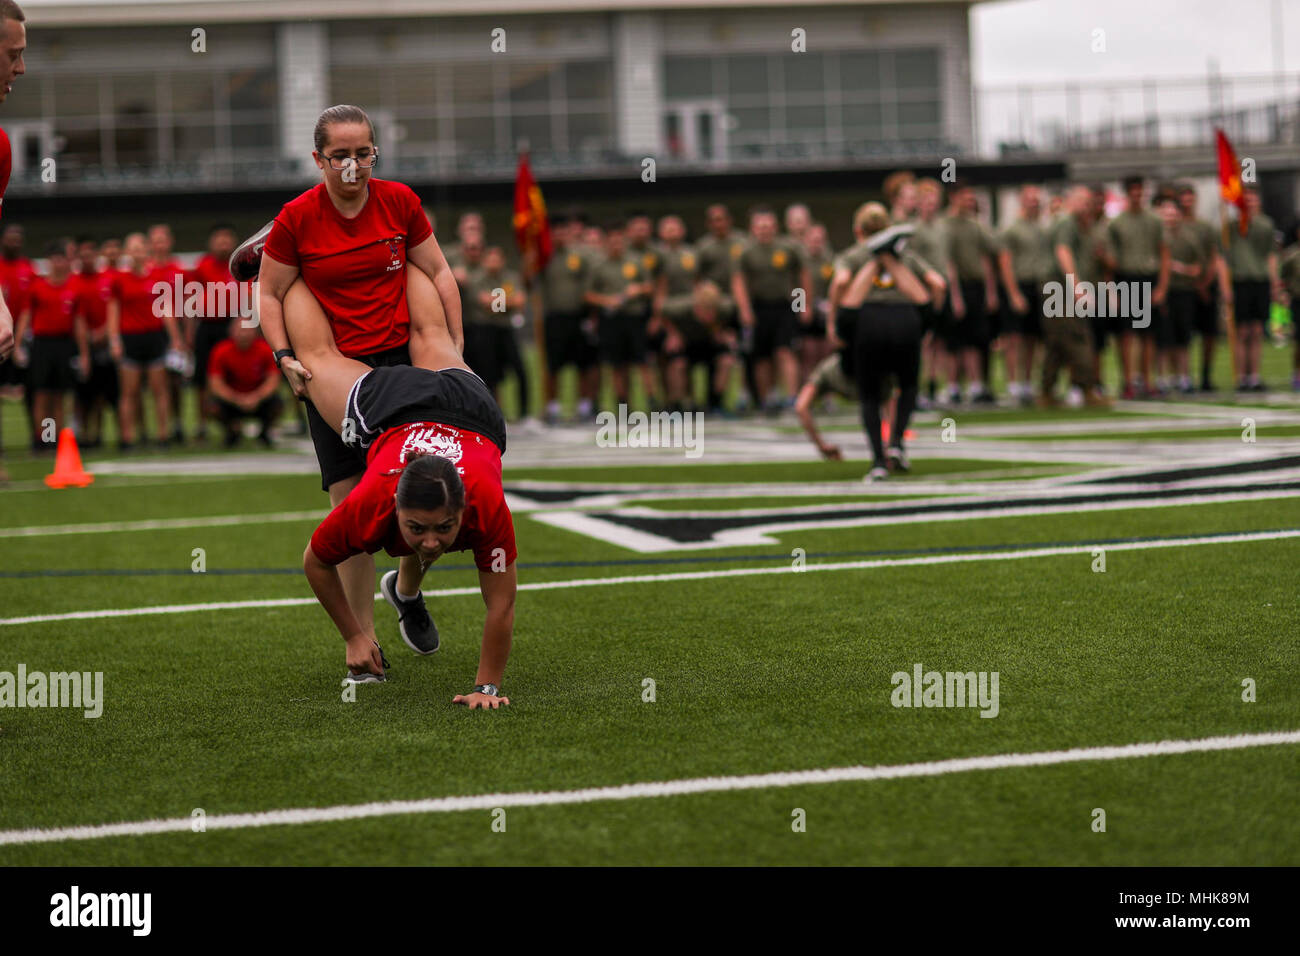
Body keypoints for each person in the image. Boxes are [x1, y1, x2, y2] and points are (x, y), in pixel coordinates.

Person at [248, 103, 462, 661]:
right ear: (318, 159)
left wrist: (455, 354)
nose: (352, 165)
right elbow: (268, 296)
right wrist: (284, 356)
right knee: (354, 512)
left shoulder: (400, 202)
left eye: (362, 154)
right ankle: (363, 642)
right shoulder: (297, 217)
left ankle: (408, 591)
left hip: (400, 363)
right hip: (331, 371)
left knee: (427, 494)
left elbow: (439, 273)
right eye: (339, 155)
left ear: (375, 154)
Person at [291, 266, 516, 708]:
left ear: (465, 507)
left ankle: (407, 241)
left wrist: (486, 687)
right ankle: (283, 266)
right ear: (394, 506)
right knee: (317, 356)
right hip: (393, 405)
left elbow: (501, 604)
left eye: (444, 528)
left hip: (468, 411)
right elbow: (315, 562)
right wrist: (354, 636)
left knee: (432, 332)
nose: (431, 542)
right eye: (417, 529)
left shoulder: (486, 505)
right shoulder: (370, 501)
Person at [839, 204, 932, 481]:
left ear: (858, 231)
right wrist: (929, 322)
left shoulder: (853, 255)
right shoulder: (906, 256)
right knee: (908, 386)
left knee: (870, 395)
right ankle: (897, 444)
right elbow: (937, 283)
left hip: (866, 322)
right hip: (906, 320)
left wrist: (836, 323)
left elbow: (840, 283)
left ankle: (878, 461)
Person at [108, 232, 183, 449]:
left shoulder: (156, 278)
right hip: (130, 338)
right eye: (132, 249)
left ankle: (162, 435)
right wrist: (115, 340)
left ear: (146, 251)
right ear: (126, 253)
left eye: (140, 248)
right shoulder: (119, 280)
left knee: (159, 390)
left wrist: (175, 338)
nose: (136, 253)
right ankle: (127, 437)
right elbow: (113, 312)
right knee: (129, 392)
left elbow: (166, 309)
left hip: (154, 338)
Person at [732, 206, 810, 413]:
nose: (764, 230)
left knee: (785, 351)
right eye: (760, 226)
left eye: (768, 226)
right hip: (758, 307)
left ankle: (793, 397)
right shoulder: (746, 251)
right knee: (762, 357)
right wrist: (745, 309)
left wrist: (802, 305)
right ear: (753, 228)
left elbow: (802, 276)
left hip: (784, 306)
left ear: (775, 227)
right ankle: (767, 399)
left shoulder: (788, 248)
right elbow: (739, 281)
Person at [14, 240, 83, 448]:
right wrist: (17, 344)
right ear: (49, 262)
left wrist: (85, 353)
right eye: (54, 260)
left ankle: (56, 439)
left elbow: (79, 323)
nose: (58, 264)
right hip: (42, 346)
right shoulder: (38, 287)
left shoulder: (73, 287)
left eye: (61, 259)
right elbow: (26, 316)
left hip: (64, 344)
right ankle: (43, 438)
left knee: (59, 396)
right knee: (42, 394)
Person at [1108, 175, 1169, 397]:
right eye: (1133, 191)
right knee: (1128, 334)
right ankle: (1129, 381)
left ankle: (1147, 380)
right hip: (1126, 279)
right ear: (1126, 194)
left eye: (1140, 191)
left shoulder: (1154, 221)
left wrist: (1161, 287)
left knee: (1149, 335)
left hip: (1148, 279)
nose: (1137, 195)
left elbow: (1164, 254)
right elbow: (1112, 261)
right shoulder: (1116, 223)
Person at [1047, 186, 1105, 407]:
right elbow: (1063, 251)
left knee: (1059, 340)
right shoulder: (1067, 222)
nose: (1087, 206)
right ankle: (1086, 387)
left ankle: (1048, 389)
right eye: (1084, 201)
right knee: (1078, 338)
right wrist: (1076, 286)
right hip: (1060, 288)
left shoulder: (1078, 225)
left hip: (1059, 287)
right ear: (1072, 200)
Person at [586, 219, 653, 409]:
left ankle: (651, 401)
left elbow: (650, 287)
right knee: (616, 364)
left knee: (642, 361)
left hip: (634, 317)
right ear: (606, 243)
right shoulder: (599, 265)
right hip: (611, 319)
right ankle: (623, 404)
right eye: (612, 242)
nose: (616, 245)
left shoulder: (636, 261)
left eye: (619, 241)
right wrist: (607, 301)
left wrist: (638, 289)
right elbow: (588, 295)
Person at [188, 224, 246, 441]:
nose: (223, 243)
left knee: (233, 374)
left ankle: (234, 423)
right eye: (219, 239)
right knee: (202, 379)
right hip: (207, 326)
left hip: (232, 326)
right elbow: (190, 299)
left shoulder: (241, 264)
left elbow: (250, 294)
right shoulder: (201, 266)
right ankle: (202, 424)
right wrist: (190, 332)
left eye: (226, 239)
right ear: (211, 242)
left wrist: (246, 321)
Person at [539, 211, 598, 424]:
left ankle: (583, 407)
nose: (560, 236)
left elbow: (591, 282)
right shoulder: (544, 254)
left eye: (564, 231)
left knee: (583, 364)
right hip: (555, 317)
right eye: (556, 232)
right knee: (554, 365)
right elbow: (528, 278)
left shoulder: (580, 255)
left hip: (578, 316)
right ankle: (553, 407)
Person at [1219, 187, 1280, 391]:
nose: (1250, 205)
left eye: (1253, 201)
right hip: (1240, 281)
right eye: (1246, 201)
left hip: (1260, 280)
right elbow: (1223, 258)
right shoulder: (1231, 227)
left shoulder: (1266, 225)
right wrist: (1226, 286)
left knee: (1256, 330)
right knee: (1241, 331)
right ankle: (1241, 377)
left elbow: (1271, 255)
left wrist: (1274, 282)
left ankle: (1254, 376)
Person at [997, 185, 1053, 405]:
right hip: (1018, 284)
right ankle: (1013, 383)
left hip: (1038, 286)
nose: (1034, 203)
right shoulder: (1011, 228)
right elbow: (1005, 261)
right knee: (1013, 337)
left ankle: (1028, 382)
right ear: (1022, 201)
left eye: (1037, 199)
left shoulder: (1042, 228)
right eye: (1030, 199)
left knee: (1032, 338)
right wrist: (1013, 293)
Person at [943, 184, 999, 404]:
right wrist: (955, 295)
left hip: (976, 287)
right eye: (965, 198)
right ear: (954, 198)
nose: (969, 202)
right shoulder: (945, 225)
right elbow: (949, 263)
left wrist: (991, 291)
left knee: (976, 338)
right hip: (957, 286)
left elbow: (986, 258)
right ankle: (953, 387)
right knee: (954, 341)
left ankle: (976, 386)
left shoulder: (975, 226)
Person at [70, 237, 118, 448]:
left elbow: (115, 309)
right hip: (80, 344)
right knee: (81, 395)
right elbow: (74, 315)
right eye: (83, 255)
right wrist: (86, 338)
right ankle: (81, 433)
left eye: (90, 254)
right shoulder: (73, 281)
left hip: (105, 343)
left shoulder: (108, 278)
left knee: (101, 394)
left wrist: (104, 333)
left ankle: (98, 434)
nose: (87, 258)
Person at [207, 317, 283, 447]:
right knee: (212, 406)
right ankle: (232, 431)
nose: (243, 334)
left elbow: (273, 380)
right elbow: (215, 384)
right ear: (231, 331)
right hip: (232, 400)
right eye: (240, 330)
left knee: (278, 403)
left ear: (255, 332)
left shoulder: (265, 349)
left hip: (258, 399)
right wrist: (237, 399)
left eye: (247, 330)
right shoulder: (221, 350)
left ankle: (265, 432)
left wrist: (256, 397)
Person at [663, 281, 735, 413]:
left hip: (710, 344)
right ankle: (679, 404)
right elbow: (662, 312)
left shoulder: (727, 308)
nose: (708, 316)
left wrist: (725, 333)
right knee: (678, 364)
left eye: (711, 311)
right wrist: (673, 333)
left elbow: (732, 326)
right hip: (687, 344)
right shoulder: (679, 308)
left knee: (726, 360)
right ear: (696, 307)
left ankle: (715, 403)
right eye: (704, 310)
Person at [1176, 183, 1222, 392]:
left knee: (1209, 333)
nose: (1187, 202)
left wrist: (1206, 282)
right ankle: (1185, 378)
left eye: (1190, 198)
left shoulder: (1205, 226)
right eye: (1183, 198)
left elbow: (1214, 256)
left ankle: (1206, 375)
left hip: (1206, 285)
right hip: (1183, 287)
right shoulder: (1175, 227)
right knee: (1184, 334)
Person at [1156, 196, 1201, 394]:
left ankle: (1184, 376)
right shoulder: (1155, 236)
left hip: (1183, 291)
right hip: (1161, 292)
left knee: (1183, 336)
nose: (1169, 217)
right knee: (1162, 338)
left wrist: (1178, 268)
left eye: (1173, 213)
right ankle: (1162, 378)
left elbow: (1198, 267)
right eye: (1165, 213)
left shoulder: (1188, 238)